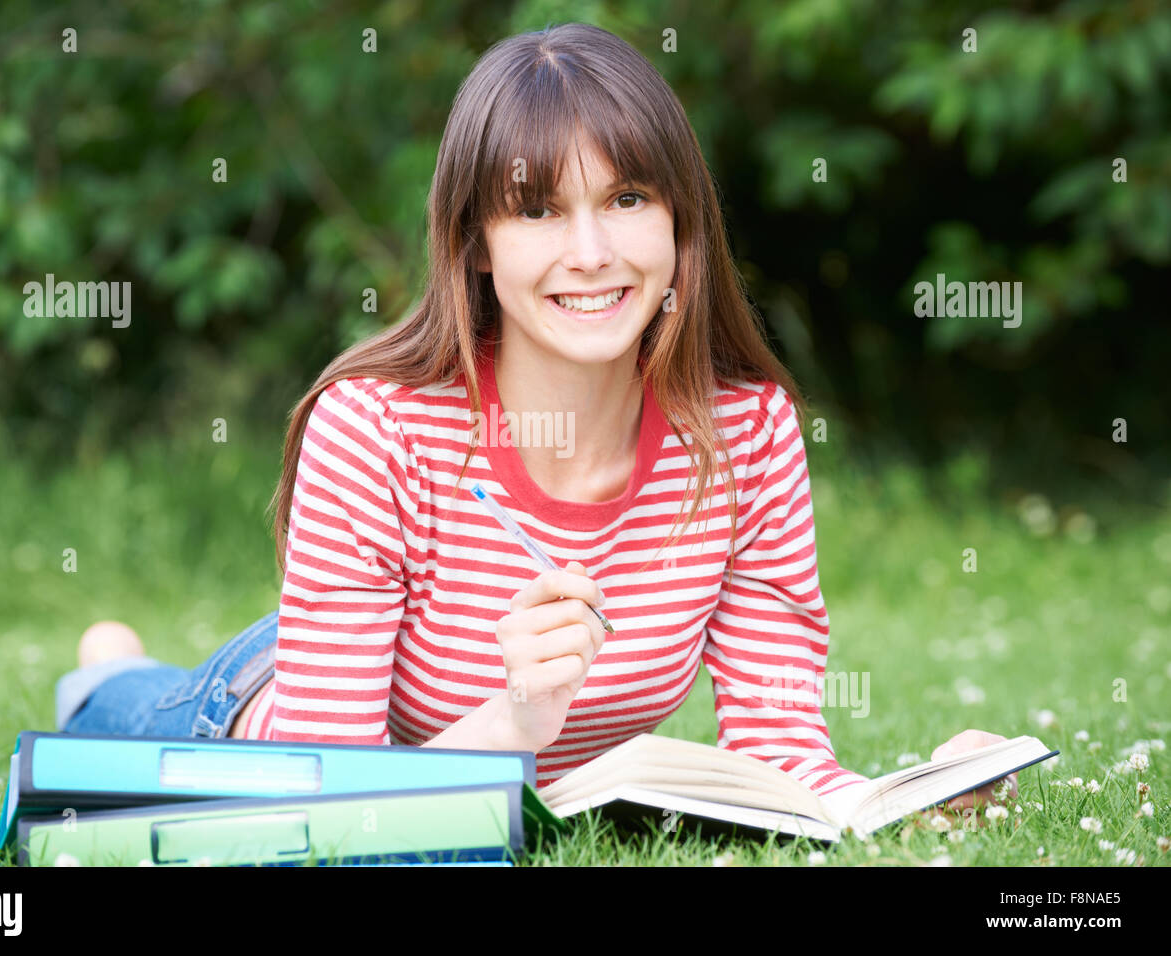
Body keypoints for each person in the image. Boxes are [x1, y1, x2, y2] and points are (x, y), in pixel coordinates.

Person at [54, 22, 1016, 813]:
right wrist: (516, 721)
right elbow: (318, 800)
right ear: (474, 241)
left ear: (682, 225)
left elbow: (782, 753)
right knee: (118, 711)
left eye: (628, 198)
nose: (592, 252)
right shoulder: (376, 432)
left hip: (408, 708)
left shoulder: (746, 436)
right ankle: (110, 665)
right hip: (257, 715)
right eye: (539, 211)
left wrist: (926, 791)